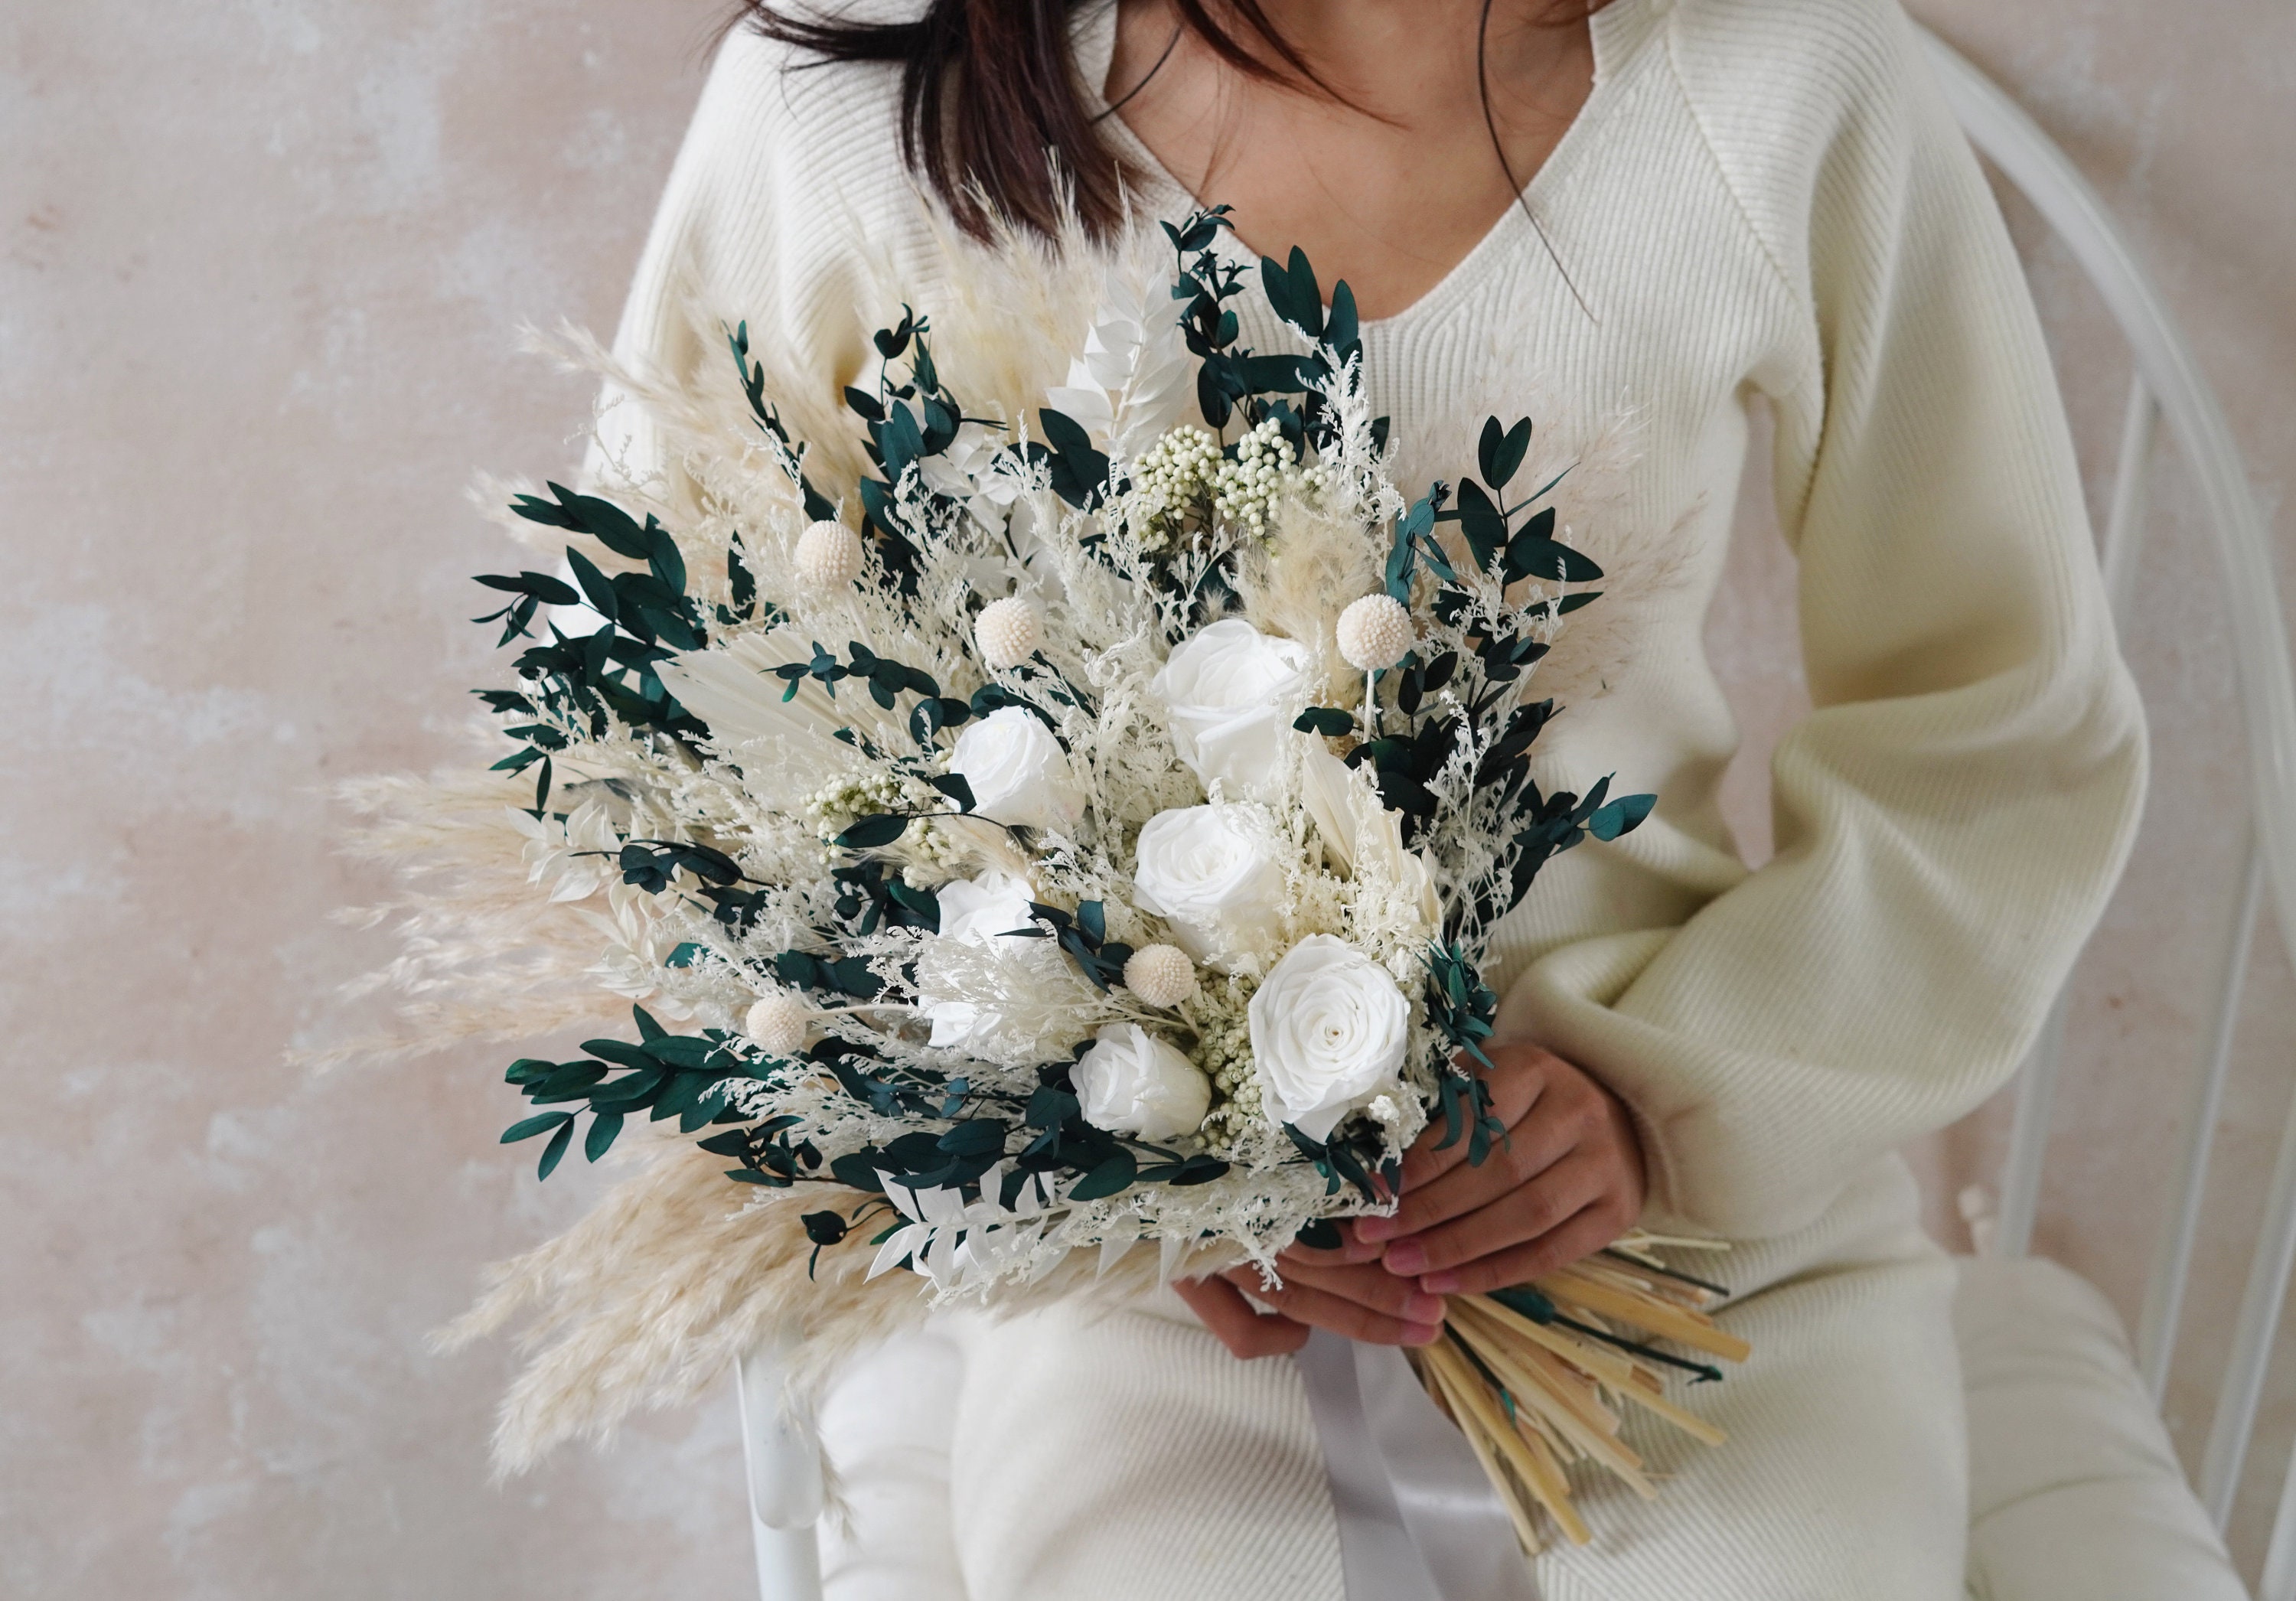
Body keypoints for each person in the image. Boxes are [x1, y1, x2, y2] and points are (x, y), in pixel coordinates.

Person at [596, 1, 2146, 1595]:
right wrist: (1116, 1167)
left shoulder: (1782, 76)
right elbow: (660, 752)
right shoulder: (848, 111)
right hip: (1152, 1308)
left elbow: (1997, 736)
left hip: (1702, 1252)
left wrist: (1662, 1095)